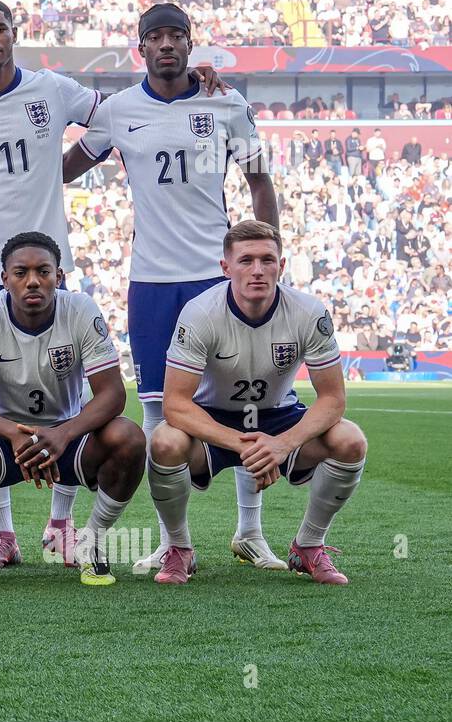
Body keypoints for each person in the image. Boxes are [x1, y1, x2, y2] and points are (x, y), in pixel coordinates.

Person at [0, 0, 224, 570]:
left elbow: (132, 111)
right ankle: (1, 533)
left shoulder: (55, 91)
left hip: (47, 263)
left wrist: (191, 78)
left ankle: (61, 519)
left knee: (65, 388)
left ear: (15, 34)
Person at [63, 3, 282, 572]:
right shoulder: (117, 110)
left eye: (175, 36)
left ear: (190, 43)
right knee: (160, 411)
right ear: (141, 46)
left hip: (218, 274)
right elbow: (62, 168)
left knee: (243, 398)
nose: (165, 45)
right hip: (152, 280)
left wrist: (266, 254)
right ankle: (174, 541)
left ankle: (250, 531)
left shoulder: (226, 102)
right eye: (154, 36)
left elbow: (260, 180)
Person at [147, 221, 367, 585]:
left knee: (350, 440)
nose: (258, 270)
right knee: (164, 441)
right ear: (225, 267)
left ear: (282, 266)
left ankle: (309, 546)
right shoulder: (200, 312)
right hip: (214, 418)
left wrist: (281, 444)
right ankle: (179, 548)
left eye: (268, 260)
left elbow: (333, 399)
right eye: (246, 260)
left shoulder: (309, 312)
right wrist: (246, 446)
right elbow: (175, 404)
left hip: (279, 417)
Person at [0, 232, 145, 586]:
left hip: (67, 438)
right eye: (20, 273)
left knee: (129, 437)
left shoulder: (80, 309)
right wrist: (13, 433)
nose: (32, 281)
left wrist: (63, 434)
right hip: (5, 443)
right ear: (5, 279)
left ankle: (91, 542)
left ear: (59, 277)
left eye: (43, 271)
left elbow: (112, 394)